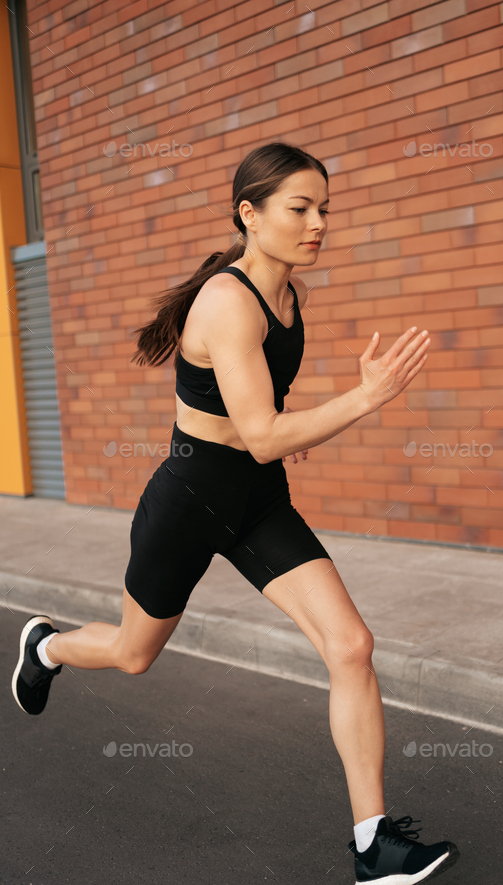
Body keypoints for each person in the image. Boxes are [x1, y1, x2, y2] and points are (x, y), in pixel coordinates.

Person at [12, 142, 459, 883]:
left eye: (325, 209)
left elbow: (260, 426)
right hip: (188, 501)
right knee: (133, 653)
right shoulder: (227, 301)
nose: (318, 223)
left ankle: (374, 844)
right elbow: (260, 435)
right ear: (250, 215)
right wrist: (365, 398)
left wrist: (290, 429)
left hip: (256, 499)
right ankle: (48, 648)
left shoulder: (288, 297)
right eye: (301, 208)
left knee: (351, 644)